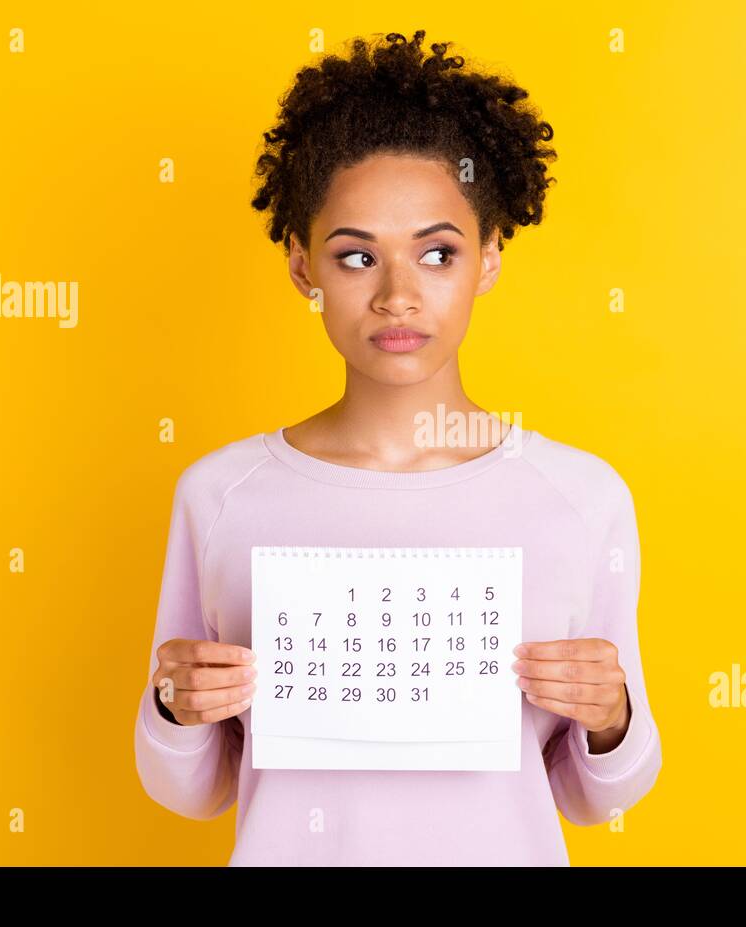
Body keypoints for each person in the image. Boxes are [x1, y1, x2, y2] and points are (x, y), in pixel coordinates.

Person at [134, 29, 662, 865]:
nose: (397, 296)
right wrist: (173, 705)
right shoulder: (222, 494)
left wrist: (613, 716)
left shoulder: (580, 497)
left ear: (488, 259)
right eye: (356, 257)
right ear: (303, 268)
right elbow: (193, 789)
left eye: (438, 252)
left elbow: (594, 796)